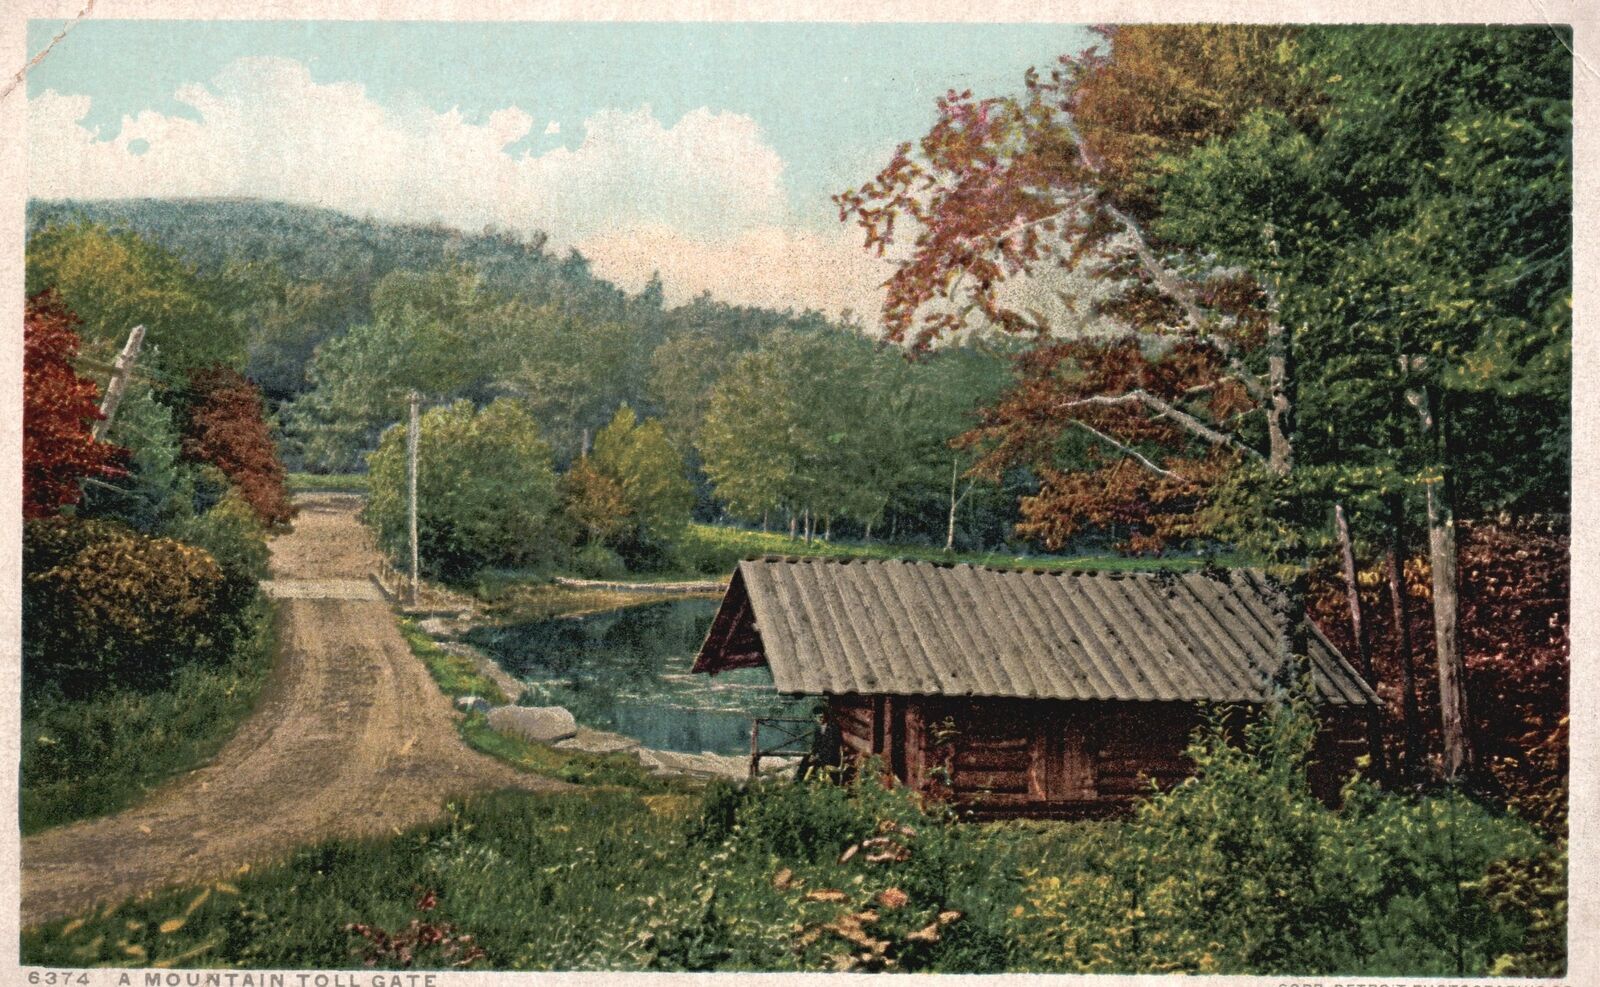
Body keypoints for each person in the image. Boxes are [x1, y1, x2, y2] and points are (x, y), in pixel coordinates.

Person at [796, 703, 842, 780]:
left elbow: (832, 746)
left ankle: (808, 780)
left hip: (831, 756)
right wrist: (813, 754)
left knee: (813, 762)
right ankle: (799, 781)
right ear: (815, 718)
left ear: (825, 716)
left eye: (821, 717)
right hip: (821, 755)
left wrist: (818, 756)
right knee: (806, 759)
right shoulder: (818, 729)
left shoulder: (833, 728)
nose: (820, 719)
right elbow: (816, 744)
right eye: (817, 717)